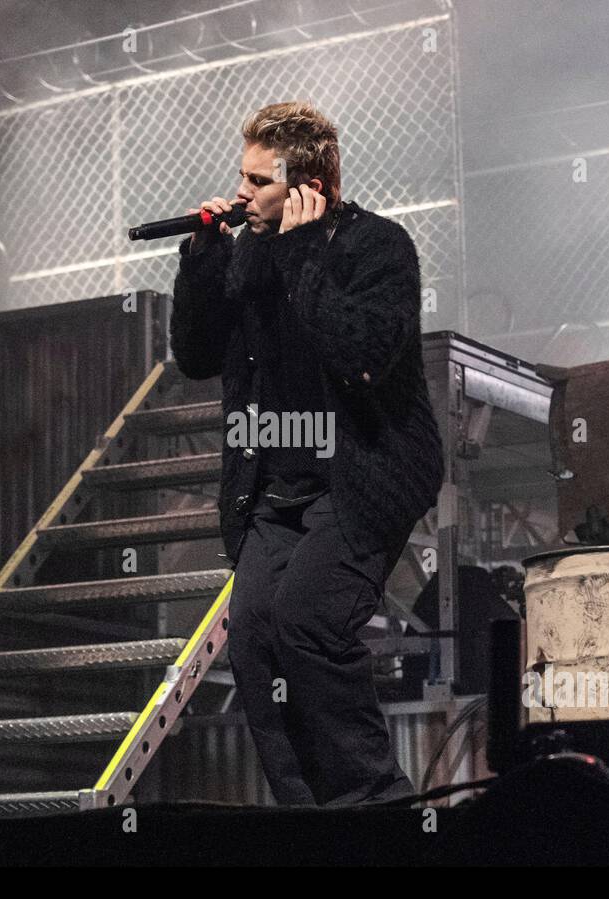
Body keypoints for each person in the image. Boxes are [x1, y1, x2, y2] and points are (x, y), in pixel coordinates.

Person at [170, 101, 445, 805]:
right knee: (255, 643)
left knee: (309, 622)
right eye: (242, 177)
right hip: (276, 486)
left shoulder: (378, 249)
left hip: (364, 476)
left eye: (258, 182)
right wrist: (201, 264)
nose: (240, 194)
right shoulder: (247, 254)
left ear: (308, 187)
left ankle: (376, 803)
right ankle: (308, 815)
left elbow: (361, 358)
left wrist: (296, 256)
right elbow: (197, 355)